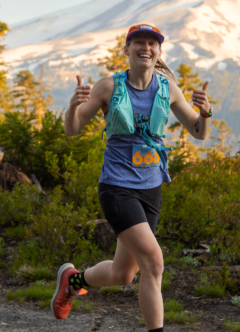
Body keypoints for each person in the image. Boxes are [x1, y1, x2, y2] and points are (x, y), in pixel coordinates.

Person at [51, 24, 212, 332]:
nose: (145, 48)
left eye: (152, 43)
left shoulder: (167, 88)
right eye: (138, 42)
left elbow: (198, 132)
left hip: (151, 190)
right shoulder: (108, 87)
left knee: (122, 274)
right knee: (154, 261)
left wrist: (204, 113)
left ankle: (72, 281)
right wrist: (72, 107)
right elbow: (72, 129)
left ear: (159, 52)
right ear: (126, 50)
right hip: (117, 188)